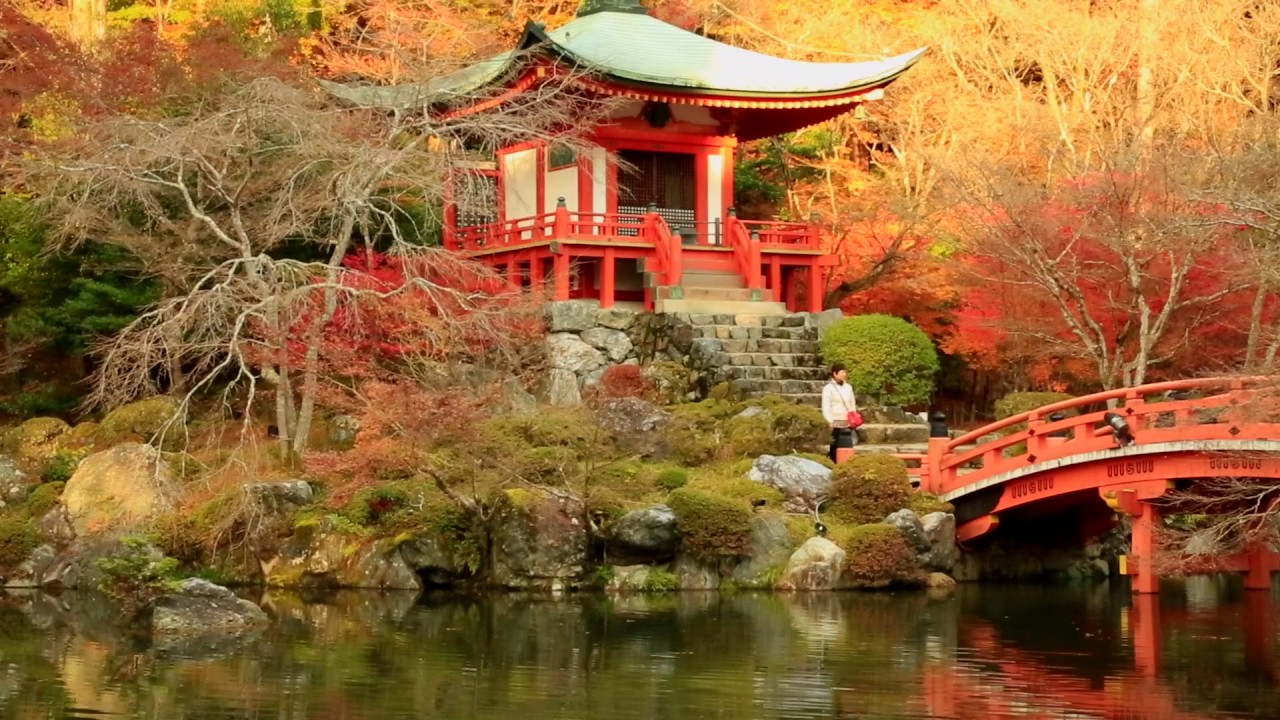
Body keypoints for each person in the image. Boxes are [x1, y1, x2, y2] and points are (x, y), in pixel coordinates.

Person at [822, 363, 858, 461]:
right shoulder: (828, 388)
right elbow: (826, 406)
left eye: (845, 372)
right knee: (835, 446)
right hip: (835, 422)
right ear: (835, 374)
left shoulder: (848, 387)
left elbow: (852, 403)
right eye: (842, 372)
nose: (844, 374)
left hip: (847, 421)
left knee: (847, 445)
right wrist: (830, 421)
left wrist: (853, 416)